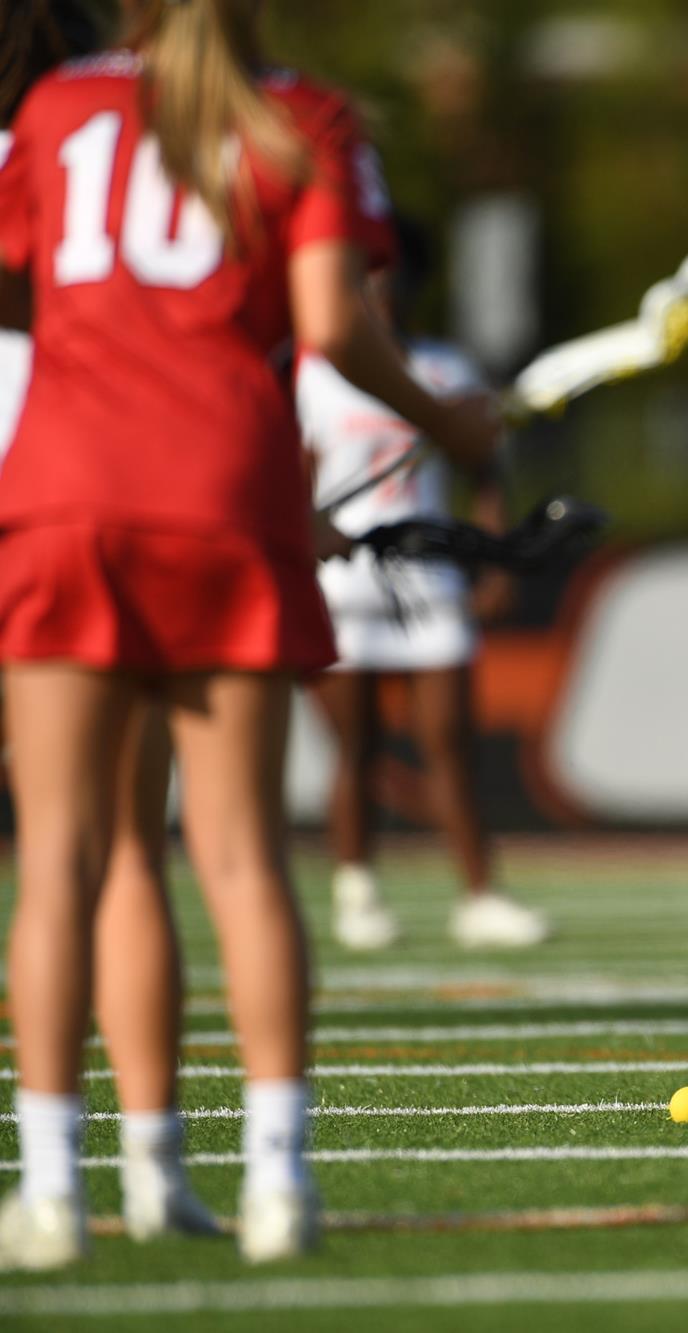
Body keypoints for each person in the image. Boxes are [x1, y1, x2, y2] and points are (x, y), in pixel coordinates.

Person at [0, 0, 498, 1267]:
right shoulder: (309, 118)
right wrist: (446, 423)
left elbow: (23, 276)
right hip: (225, 490)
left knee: (65, 856)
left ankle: (56, 1188)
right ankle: (278, 1182)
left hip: (66, 492)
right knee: (237, 859)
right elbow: (333, 322)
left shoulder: (56, 109)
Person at [0, 0, 220, 1254]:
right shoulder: (213, 128)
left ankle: (48, 1181)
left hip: (66, 509)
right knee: (126, 845)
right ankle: (154, 1172)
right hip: (96, 507)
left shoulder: (61, 139)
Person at [301, 216, 548, 951]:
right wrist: (304, 534)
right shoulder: (313, 371)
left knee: (450, 742)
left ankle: (479, 894)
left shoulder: (449, 371)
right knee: (357, 746)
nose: (380, 285)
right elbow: (294, 472)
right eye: (365, 271)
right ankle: (357, 891)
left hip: (431, 572)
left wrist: (495, 557)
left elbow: (485, 473)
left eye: (390, 270)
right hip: (343, 577)